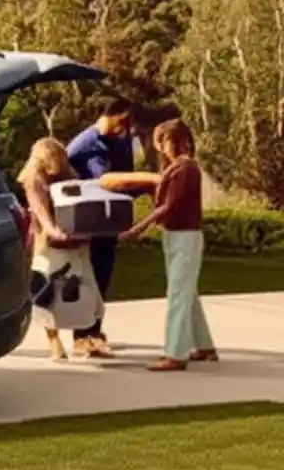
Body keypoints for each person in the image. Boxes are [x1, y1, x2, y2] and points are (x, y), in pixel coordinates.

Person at [121, 119, 216, 371]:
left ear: (179, 141)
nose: (161, 147)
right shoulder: (175, 169)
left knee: (178, 295)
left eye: (164, 141)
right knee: (187, 293)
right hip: (177, 236)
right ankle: (205, 346)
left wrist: (139, 227)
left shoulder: (185, 169)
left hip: (185, 237)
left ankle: (175, 353)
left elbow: (169, 205)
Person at [18, 138, 108, 360]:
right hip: (48, 243)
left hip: (75, 241)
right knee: (50, 292)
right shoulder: (34, 180)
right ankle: (54, 341)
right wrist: (53, 230)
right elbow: (40, 211)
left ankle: (85, 336)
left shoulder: (69, 175)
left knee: (85, 290)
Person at [65, 96, 135, 356]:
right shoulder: (84, 144)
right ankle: (81, 334)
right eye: (122, 121)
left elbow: (127, 176)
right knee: (87, 276)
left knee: (104, 275)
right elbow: (63, 175)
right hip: (89, 220)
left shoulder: (122, 142)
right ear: (109, 116)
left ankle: (95, 329)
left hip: (110, 220)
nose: (124, 127)